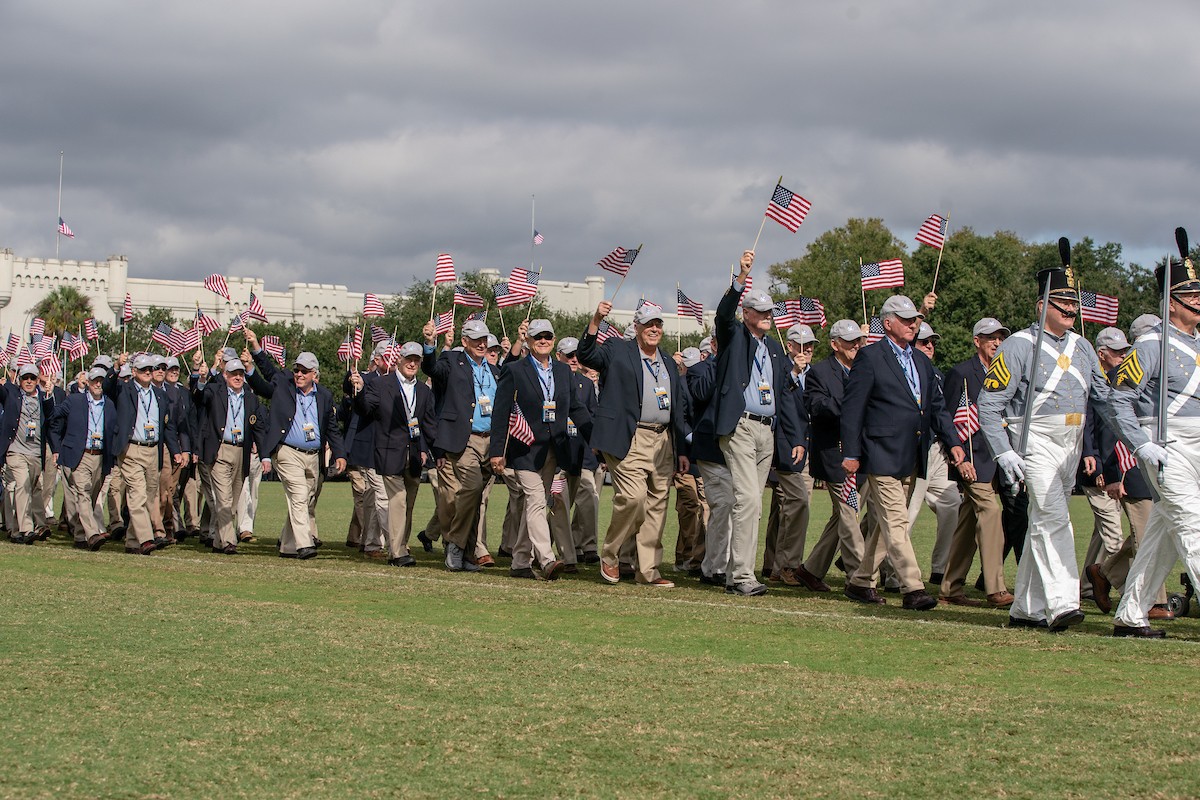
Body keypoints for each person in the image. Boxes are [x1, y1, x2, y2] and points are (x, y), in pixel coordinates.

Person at [978, 265, 1114, 631]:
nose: (1070, 309)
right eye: (1061, 302)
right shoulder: (1018, 345)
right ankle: (1064, 603)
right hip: (1034, 440)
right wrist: (1003, 451)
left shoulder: (1083, 346)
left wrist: (1137, 438)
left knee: (1041, 520)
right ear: (1041, 306)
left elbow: (1104, 399)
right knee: (1055, 517)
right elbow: (989, 404)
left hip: (1071, 442)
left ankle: (1025, 608)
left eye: (1073, 302)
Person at [841, 295, 968, 610]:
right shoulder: (870, 357)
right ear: (887, 323)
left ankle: (860, 581)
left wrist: (953, 442)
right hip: (881, 452)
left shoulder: (923, 361)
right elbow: (853, 408)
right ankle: (913, 587)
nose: (914, 323)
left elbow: (936, 407)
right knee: (896, 521)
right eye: (907, 319)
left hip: (913, 455)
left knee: (886, 526)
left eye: (915, 319)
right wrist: (851, 452)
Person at [705, 250, 806, 596]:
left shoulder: (776, 349)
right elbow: (721, 316)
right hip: (741, 427)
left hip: (768, 430)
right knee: (748, 499)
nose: (766, 316)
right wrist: (740, 279)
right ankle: (744, 576)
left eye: (769, 311)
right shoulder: (735, 336)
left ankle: (736, 575)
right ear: (746, 313)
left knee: (753, 503)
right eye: (760, 311)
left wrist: (795, 437)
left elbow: (785, 394)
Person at [1109, 256, 1200, 637]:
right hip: (1168, 445)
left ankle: (1130, 614)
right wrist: (1141, 444)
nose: (1199, 298)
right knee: (1193, 526)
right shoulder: (1150, 344)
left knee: (1162, 536)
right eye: (1191, 293)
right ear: (1172, 302)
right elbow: (1118, 399)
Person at [579, 300, 688, 587]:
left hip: (663, 438)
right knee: (633, 498)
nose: (654, 329)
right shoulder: (618, 350)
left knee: (656, 505)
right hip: (629, 435)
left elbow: (678, 408)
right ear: (637, 327)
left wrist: (682, 450)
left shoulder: (667, 362)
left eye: (658, 324)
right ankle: (611, 555)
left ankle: (648, 572)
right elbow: (586, 355)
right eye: (648, 324)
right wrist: (596, 320)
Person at [489, 320, 589, 580]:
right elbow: (500, 412)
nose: (543, 340)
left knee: (534, 506)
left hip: (554, 449)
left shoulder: (565, 372)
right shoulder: (515, 370)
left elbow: (577, 409)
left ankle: (520, 562)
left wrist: (596, 437)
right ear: (530, 341)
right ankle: (546, 559)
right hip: (525, 447)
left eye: (547, 336)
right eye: (538, 337)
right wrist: (497, 450)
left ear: (553, 340)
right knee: (535, 501)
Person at [244, 329, 346, 559]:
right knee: (299, 495)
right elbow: (268, 372)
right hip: (287, 452)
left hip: (314, 455)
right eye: (297, 369)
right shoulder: (284, 384)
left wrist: (340, 453)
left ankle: (288, 545)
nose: (299, 374)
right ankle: (304, 544)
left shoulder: (325, 396)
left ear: (315, 375)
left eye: (304, 371)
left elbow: (331, 427)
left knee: (304, 500)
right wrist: (255, 347)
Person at [940, 318, 1014, 607]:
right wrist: (958, 459)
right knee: (992, 512)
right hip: (969, 461)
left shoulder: (1005, 374)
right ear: (977, 341)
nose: (996, 343)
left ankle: (949, 588)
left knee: (968, 524)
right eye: (990, 337)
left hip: (995, 462)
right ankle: (996, 587)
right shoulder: (961, 373)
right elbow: (946, 420)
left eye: (1000, 337)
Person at [422, 318, 502, 572]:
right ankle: (454, 544)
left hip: (491, 441)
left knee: (476, 496)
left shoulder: (493, 369)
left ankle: (467, 554)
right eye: (476, 339)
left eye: (484, 339)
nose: (481, 344)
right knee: (472, 487)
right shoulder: (451, 362)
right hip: (464, 439)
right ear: (464, 342)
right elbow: (432, 369)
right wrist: (429, 343)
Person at [352, 342, 436, 567]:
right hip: (389, 453)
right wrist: (358, 392)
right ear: (399, 359)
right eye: (408, 358)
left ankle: (400, 546)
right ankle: (398, 552)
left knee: (407, 504)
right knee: (397, 500)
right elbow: (365, 410)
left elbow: (429, 425)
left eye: (416, 360)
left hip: (415, 456)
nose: (412, 363)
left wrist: (430, 451)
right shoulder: (381, 385)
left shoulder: (424, 391)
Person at [799, 320, 868, 591]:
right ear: (835, 344)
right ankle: (859, 579)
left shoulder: (865, 368)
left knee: (843, 514)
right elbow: (816, 406)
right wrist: (851, 403)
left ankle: (811, 570)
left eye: (858, 341)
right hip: (834, 455)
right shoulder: (818, 372)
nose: (856, 345)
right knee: (850, 513)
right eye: (850, 341)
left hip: (861, 454)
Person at [191, 349, 267, 554]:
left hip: (241, 451)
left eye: (241, 374)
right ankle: (228, 541)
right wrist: (200, 375)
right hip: (220, 451)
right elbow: (198, 396)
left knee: (233, 501)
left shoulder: (251, 398)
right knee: (223, 498)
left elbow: (258, 427)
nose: (238, 378)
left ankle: (218, 539)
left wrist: (265, 455)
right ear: (225, 375)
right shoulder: (215, 391)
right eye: (234, 374)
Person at [110, 353, 186, 554]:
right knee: (137, 494)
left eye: (149, 370)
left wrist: (176, 451)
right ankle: (146, 538)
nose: (147, 373)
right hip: (132, 448)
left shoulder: (160, 395)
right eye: (143, 370)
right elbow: (109, 388)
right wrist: (117, 366)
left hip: (153, 450)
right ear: (134, 371)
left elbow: (166, 426)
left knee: (149, 494)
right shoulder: (125, 390)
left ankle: (132, 541)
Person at [907, 323, 962, 585]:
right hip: (912, 449)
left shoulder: (936, 374)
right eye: (924, 341)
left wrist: (954, 444)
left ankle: (940, 569)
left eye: (932, 342)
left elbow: (943, 414)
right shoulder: (904, 370)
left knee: (952, 504)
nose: (930, 346)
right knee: (906, 514)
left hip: (937, 450)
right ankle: (892, 571)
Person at [763, 324, 815, 585]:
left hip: (806, 449)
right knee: (796, 504)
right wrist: (794, 372)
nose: (806, 352)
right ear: (790, 346)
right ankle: (786, 566)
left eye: (810, 347)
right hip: (785, 449)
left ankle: (774, 567)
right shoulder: (782, 369)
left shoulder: (813, 374)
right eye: (801, 346)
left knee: (787, 509)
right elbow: (781, 400)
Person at [48, 366, 118, 550]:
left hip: (101, 456)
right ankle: (93, 533)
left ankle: (80, 536)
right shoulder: (74, 400)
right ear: (88, 382)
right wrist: (48, 397)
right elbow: (53, 415)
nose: (98, 384)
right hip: (80, 455)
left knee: (92, 496)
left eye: (101, 381)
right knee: (83, 493)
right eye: (94, 380)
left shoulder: (109, 404)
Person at [548, 337, 602, 566]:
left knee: (588, 498)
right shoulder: (550, 379)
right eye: (568, 355)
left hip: (581, 453)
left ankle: (583, 546)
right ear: (558, 355)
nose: (573, 359)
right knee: (556, 503)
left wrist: (596, 452)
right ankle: (551, 550)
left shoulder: (586, 384)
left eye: (576, 355)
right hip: (557, 453)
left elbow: (591, 418)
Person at [344, 341, 392, 559]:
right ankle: (395, 541)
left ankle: (371, 543)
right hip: (370, 449)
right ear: (378, 360)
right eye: (388, 356)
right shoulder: (368, 379)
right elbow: (351, 389)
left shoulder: (398, 382)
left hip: (390, 448)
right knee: (383, 495)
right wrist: (354, 381)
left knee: (373, 497)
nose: (393, 360)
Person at [1, 363, 56, 544]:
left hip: (35, 453)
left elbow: (52, 419)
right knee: (22, 485)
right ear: (19, 380)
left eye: (33, 378)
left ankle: (17, 530)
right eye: (25, 378)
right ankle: (27, 529)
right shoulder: (12, 395)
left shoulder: (43, 397)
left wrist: (49, 394)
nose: (29, 381)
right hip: (16, 451)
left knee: (32, 488)